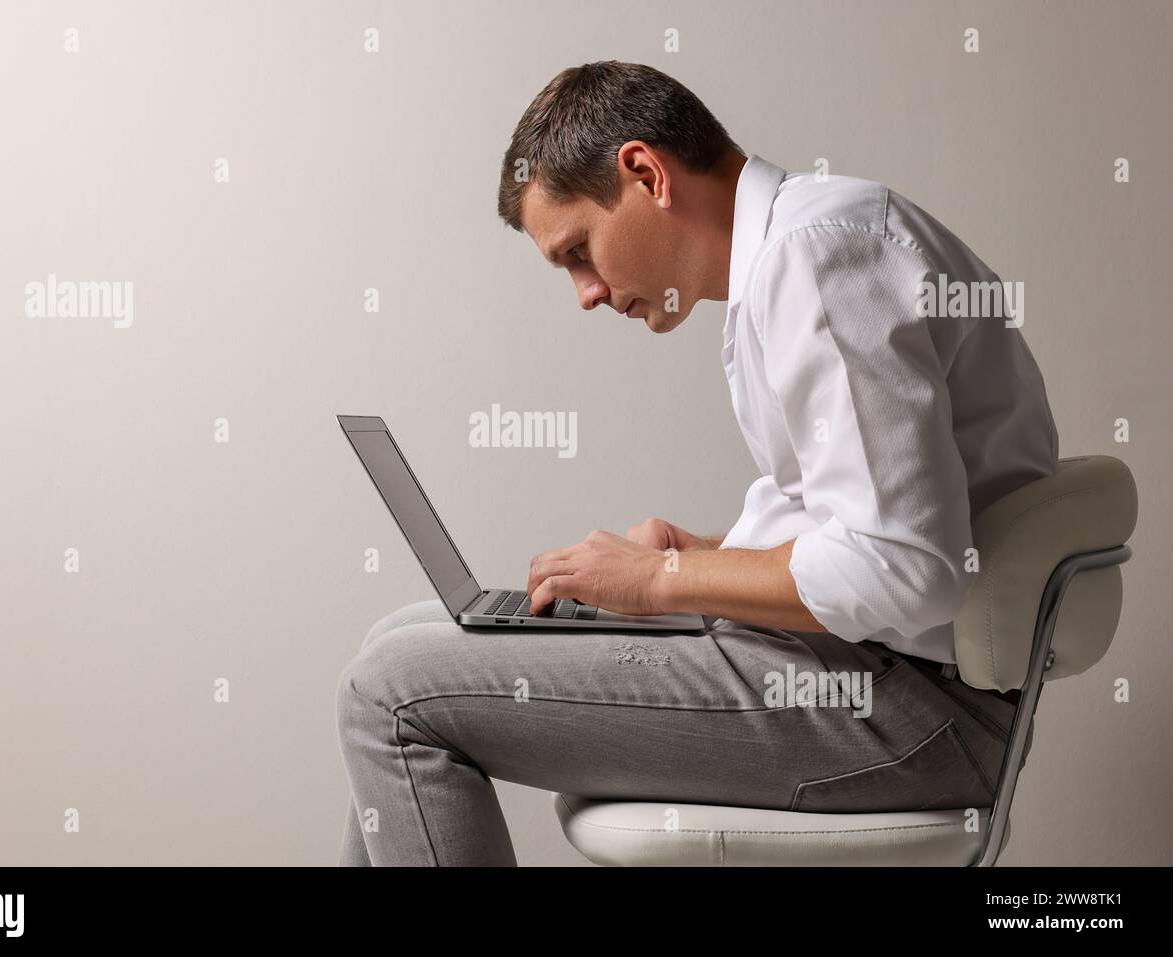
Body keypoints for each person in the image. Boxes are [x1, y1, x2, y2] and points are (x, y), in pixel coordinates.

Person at [335, 60, 1056, 866]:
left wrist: (664, 580)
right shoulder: (797, 254)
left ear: (645, 173)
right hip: (872, 676)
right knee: (396, 643)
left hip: (907, 711)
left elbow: (904, 568)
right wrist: (706, 553)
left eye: (578, 250)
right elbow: (866, 530)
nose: (585, 293)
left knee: (391, 689)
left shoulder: (816, 257)